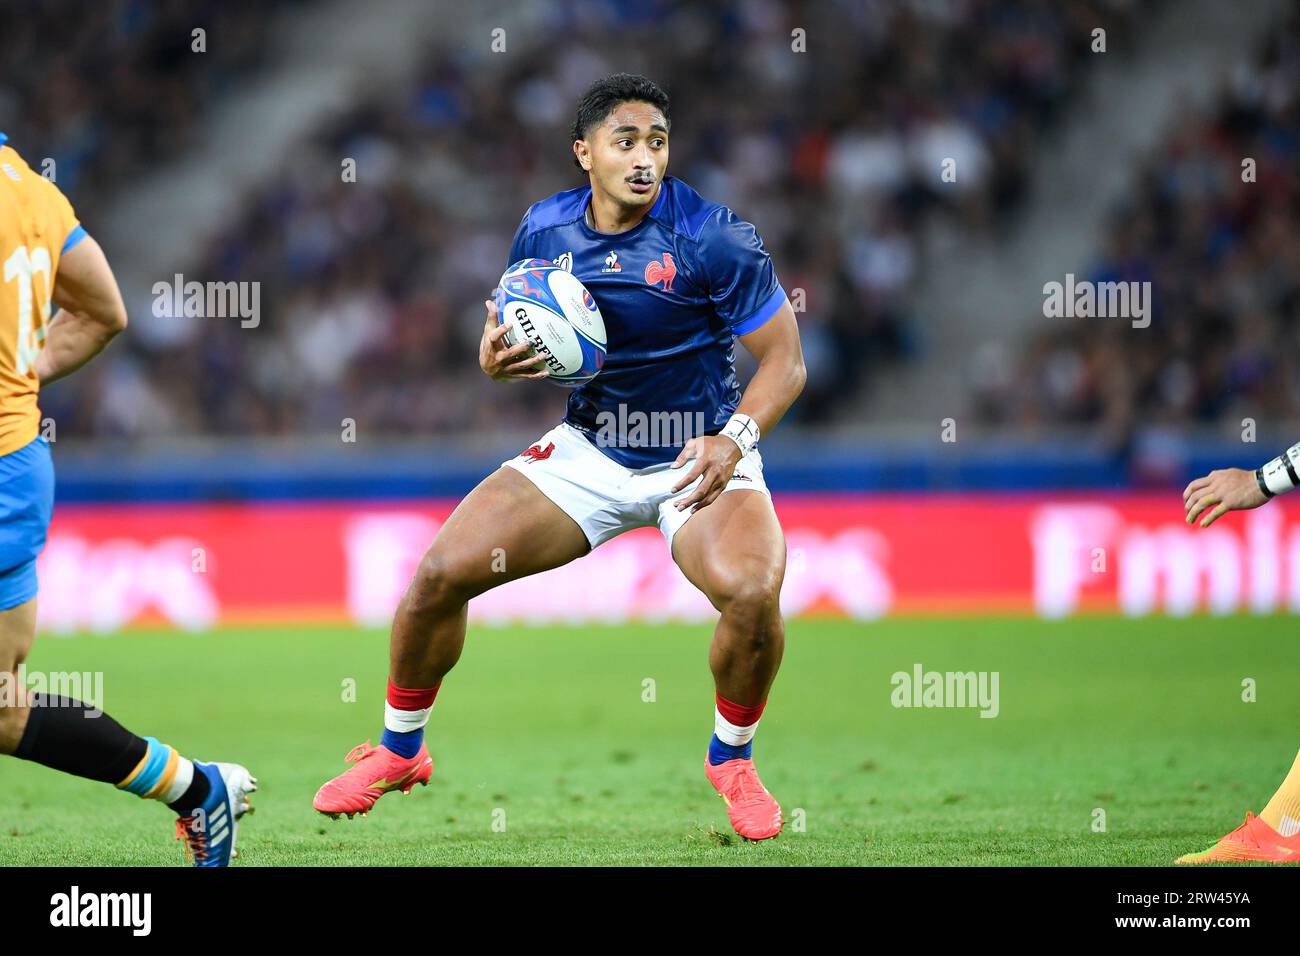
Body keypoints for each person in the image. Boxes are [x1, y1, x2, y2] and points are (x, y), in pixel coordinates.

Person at [313, 74, 807, 841]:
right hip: (589, 450)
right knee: (440, 574)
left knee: (753, 588)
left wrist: (733, 440)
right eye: (626, 142)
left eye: (658, 142)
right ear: (585, 152)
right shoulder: (544, 228)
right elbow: (508, 335)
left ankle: (731, 760)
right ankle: (398, 751)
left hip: (698, 453)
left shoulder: (712, 236)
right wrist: (492, 358)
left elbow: (786, 362)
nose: (645, 158)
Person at [0, 131, 255, 866]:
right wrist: (24, 375)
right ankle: (193, 788)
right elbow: (104, 310)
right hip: (17, 465)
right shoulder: (35, 193)